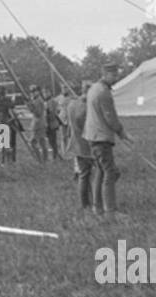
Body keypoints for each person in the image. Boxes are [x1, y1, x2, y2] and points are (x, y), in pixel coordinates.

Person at [84, 63, 131, 217]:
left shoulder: (93, 88)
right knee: (110, 173)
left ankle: (97, 207)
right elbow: (110, 117)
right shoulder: (103, 92)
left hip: (93, 136)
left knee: (101, 172)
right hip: (101, 138)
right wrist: (123, 133)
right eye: (114, 75)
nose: (116, 78)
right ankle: (110, 211)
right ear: (105, 74)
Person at [67, 85, 94, 213]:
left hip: (2, 126)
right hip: (84, 144)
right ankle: (4, 161)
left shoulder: (72, 104)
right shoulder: (84, 107)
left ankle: (4, 160)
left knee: (4, 147)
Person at [0, 86, 18, 165]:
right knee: (6, 144)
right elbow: (12, 105)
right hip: (4, 123)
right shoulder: (6, 100)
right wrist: (13, 99)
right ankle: (6, 161)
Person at [28, 86, 49, 162]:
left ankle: (40, 160)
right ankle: (44, 160)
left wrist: (30, 106)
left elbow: (38, 113)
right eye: (31, 91)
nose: (32, 93)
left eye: (34, 91)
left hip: (38, 124)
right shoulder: (36, 100)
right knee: (42, 142)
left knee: (33, 142)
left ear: (38, 91)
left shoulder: (38, 100)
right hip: (39, 124)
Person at [44, 89, 64, 160]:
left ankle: (56, 156)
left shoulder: (52, 101)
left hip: (51, 123)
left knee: (53, 141)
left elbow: (53, 113)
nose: (45, 94)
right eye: (44, 92)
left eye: (46, 92)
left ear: (50, 93)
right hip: (48, 123)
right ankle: (57, 155)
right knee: (51, 141)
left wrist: (47, 113)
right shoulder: (46, 101)